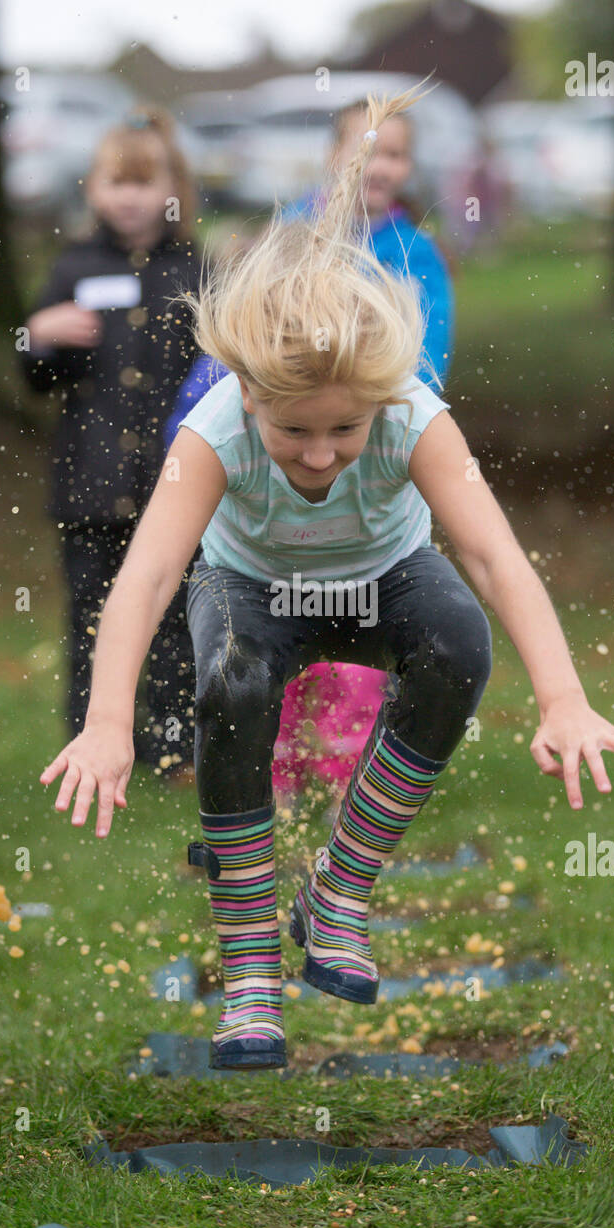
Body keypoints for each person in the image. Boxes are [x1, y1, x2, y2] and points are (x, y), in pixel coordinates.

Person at [39, 80, 614, 1074]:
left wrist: (564, 698)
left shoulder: (411, 413)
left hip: (384, 578)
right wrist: (110, 721)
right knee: (229, 680)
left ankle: (337, 886)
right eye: (293, 430)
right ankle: (249, 962)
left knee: (459, 639)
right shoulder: (211, 433)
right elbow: (151, 576)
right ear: (246, 393)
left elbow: (494, 558)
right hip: (252, 591)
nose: (321, 454)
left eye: (344, 429)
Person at [163, 94, 456, 817]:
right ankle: (282, 774)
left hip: (370, 483)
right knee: (267, 653)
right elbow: (230, 373)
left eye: (396, 154)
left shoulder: (414, 251)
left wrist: (406, 420)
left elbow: (431, 356)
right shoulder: (288, 238)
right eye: (368, 150)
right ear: (337, 156)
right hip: (266, 533)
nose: (381, 166)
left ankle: (354, 775)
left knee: (367, 642)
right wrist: (188, 443)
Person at [20, 105, 202, 780]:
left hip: (175, 488)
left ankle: (175, 748)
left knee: (177, 620)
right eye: (115, 182)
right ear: (93, 189)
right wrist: (39, 333)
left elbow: (221, 372)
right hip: (90, 485)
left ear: (172, 189)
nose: (128, 197)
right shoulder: (72, 267)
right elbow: (34, 374)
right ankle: (88, 746)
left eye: (143, 181)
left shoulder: (192, 272)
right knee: (91, 621)